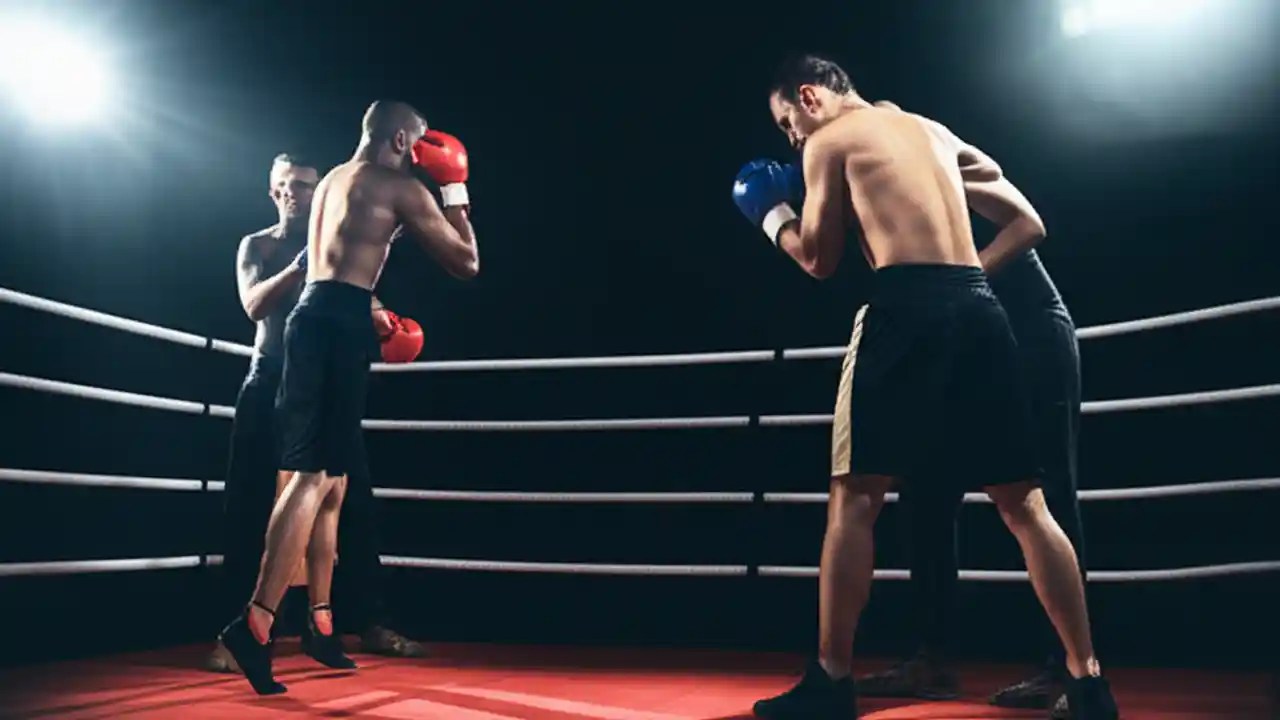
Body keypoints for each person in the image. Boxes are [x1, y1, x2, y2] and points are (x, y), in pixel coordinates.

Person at [731, 55, 1117, 719]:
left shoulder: (831, 140)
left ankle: (830, 681)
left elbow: (820, 261)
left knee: (854, 499)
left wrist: (773, 219)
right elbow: (1009, 198)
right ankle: (1089, 684)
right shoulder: (929, 131)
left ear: (808, 96)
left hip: (905, 308)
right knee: (1026, 505)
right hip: (979, 306)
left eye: (787, 122)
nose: (791, 139)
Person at [219, 103, 478, 695]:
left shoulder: (335, 177)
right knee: (312, 478)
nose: (420, 152)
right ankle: (254, 623)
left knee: (328, 478)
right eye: (416, 141)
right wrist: (456, 187)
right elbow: (467, 262)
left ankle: (313, 622)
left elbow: (333, 263)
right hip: (334, 321)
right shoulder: (399, 185)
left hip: (315, 318)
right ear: (396, 139)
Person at [848, 101, 1087, 717]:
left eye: (797, 127)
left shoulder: (931, 147)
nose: (799, 143)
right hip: (959, 336)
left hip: (1024, 327)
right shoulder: (858, 169)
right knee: (924, 488)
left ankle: (1068, 671)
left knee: (1042, 494)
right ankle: (932, 658)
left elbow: (1029, 223)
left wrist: (959, 284)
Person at [207, 153, 426, 677]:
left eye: (303, 185)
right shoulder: (257, 245)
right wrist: (298, 265)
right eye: (283, 185)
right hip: (269, 379)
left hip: (325, 384)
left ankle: (355, 622)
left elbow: (362, 306)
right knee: (252, 506)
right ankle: (237, 629)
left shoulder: (344, 247)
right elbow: (254, 306)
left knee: (351, 502)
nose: (293, 193)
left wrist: (388, 325)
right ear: (271, 191)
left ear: (319, 191)